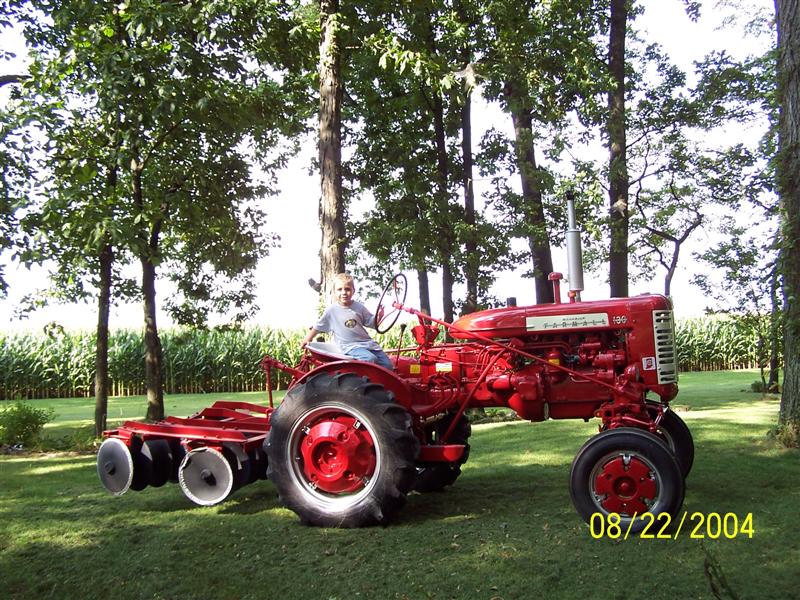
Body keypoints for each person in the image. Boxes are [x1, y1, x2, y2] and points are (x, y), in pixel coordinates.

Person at [301, 272, 394, 370]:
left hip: (367, 344)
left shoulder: (359, 307)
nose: (344, 292)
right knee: (369, 358)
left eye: (347, 289)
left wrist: (378, 316)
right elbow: (318, 327)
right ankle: (364, 383)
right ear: (334, 292)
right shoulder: (332, 311)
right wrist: (307, 339)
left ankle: (380, 385)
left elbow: (371, 323)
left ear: (353, 291)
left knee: (387, 365)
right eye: (339, 289)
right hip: (349, 346)